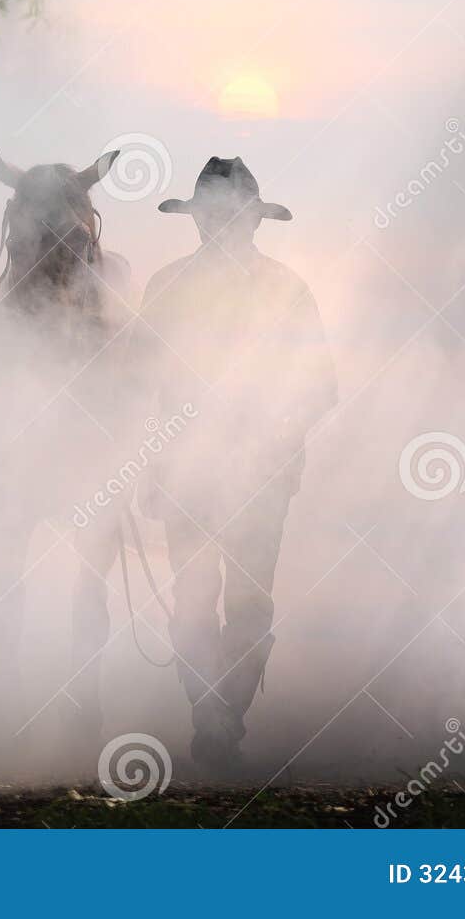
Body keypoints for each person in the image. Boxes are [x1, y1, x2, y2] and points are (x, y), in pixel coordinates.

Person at [134, 156, 336, 773]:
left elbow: (318, 386)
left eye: (229, 217)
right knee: (194, 599)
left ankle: (225, 715)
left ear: (252, 222)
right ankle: (210, 715)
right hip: (186, 473)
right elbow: (139, 379)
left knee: (248, 603)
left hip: (261, 474)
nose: (217, 228)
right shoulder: (166, 287)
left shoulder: (287, 290)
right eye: (209, 217)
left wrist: (272, 434)